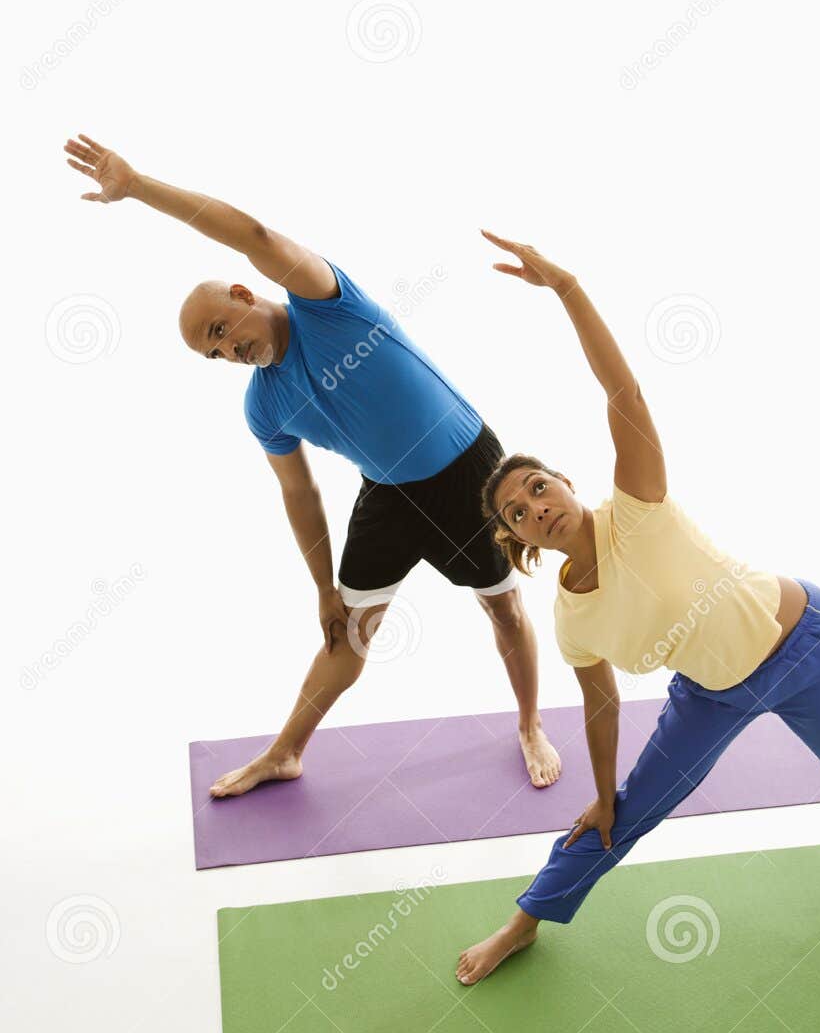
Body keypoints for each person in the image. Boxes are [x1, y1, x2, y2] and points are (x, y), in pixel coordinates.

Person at [455, 230, 820, 984]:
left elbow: (624, 396)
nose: (533, 506)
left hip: (807, 646)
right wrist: (602, 795)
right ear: (518, 542)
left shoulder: (637, 506)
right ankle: (523, 924)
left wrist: (568, 289)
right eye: (516, 512)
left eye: (537, 486)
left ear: (565, 484)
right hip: (710, 694)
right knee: (618, 814)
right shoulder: (572, 618)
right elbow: (601, 707)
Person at [62, 136, 561, 793]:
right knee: (346, 631)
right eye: (214, 356)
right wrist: (323, 585)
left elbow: (251, 231)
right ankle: (285, 753)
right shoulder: (263, 406)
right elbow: (298, 495)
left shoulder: (327, 305)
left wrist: (138, 186)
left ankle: (528, 725)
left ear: (243, 294)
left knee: (502, 609)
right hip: (388, 494)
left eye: (220, 332)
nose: (228, 353)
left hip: (469, 473)